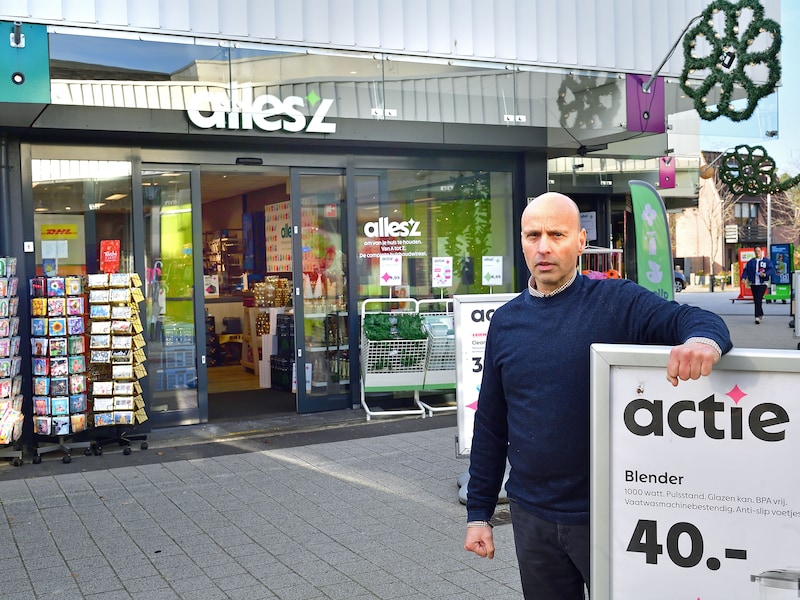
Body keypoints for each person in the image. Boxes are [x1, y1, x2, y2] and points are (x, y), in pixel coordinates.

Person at [463, 192, 732, 600]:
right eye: (533, 235)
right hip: (531, 514)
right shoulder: (505, 322)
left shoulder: (616, 302)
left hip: (609, 515)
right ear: (521, 241)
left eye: (557, 234)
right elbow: (491, 424)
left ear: (581, 241)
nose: (544, 246)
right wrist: (479, 513)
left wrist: (702, 341)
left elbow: (691, 318)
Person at [741, 246, 776, 324]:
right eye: (756, 251)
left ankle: (757, 317)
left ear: (761, 252)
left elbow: (771, 269)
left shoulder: (766, 261)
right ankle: (761, 313)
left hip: (762, 283)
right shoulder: (751, 262)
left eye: (759, 251)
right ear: (754, 252)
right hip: (753, 283)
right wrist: (743, 278)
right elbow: (746, 270)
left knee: (758, 299)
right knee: (756, 300)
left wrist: (765, 274)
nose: (757, 253)